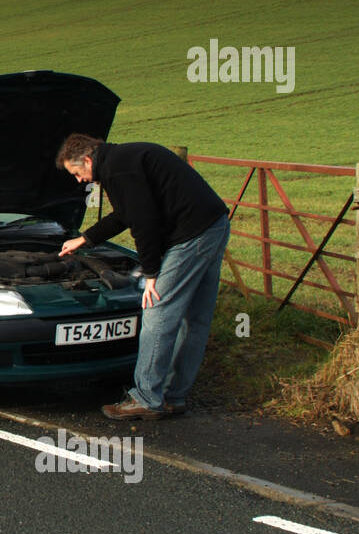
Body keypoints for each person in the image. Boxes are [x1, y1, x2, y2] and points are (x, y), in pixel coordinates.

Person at [55, 134, 230, 420]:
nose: (79, 181)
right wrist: (85, 238)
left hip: (191, 236)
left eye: (77, 173)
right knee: (195, 318)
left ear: (87, 160)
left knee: (157, 310)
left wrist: (151, 274)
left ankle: (147, 398)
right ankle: (173, 396)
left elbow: (143, 223)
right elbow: (125, 214)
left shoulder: (118, 168)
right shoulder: (123, 158)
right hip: (214, 225)